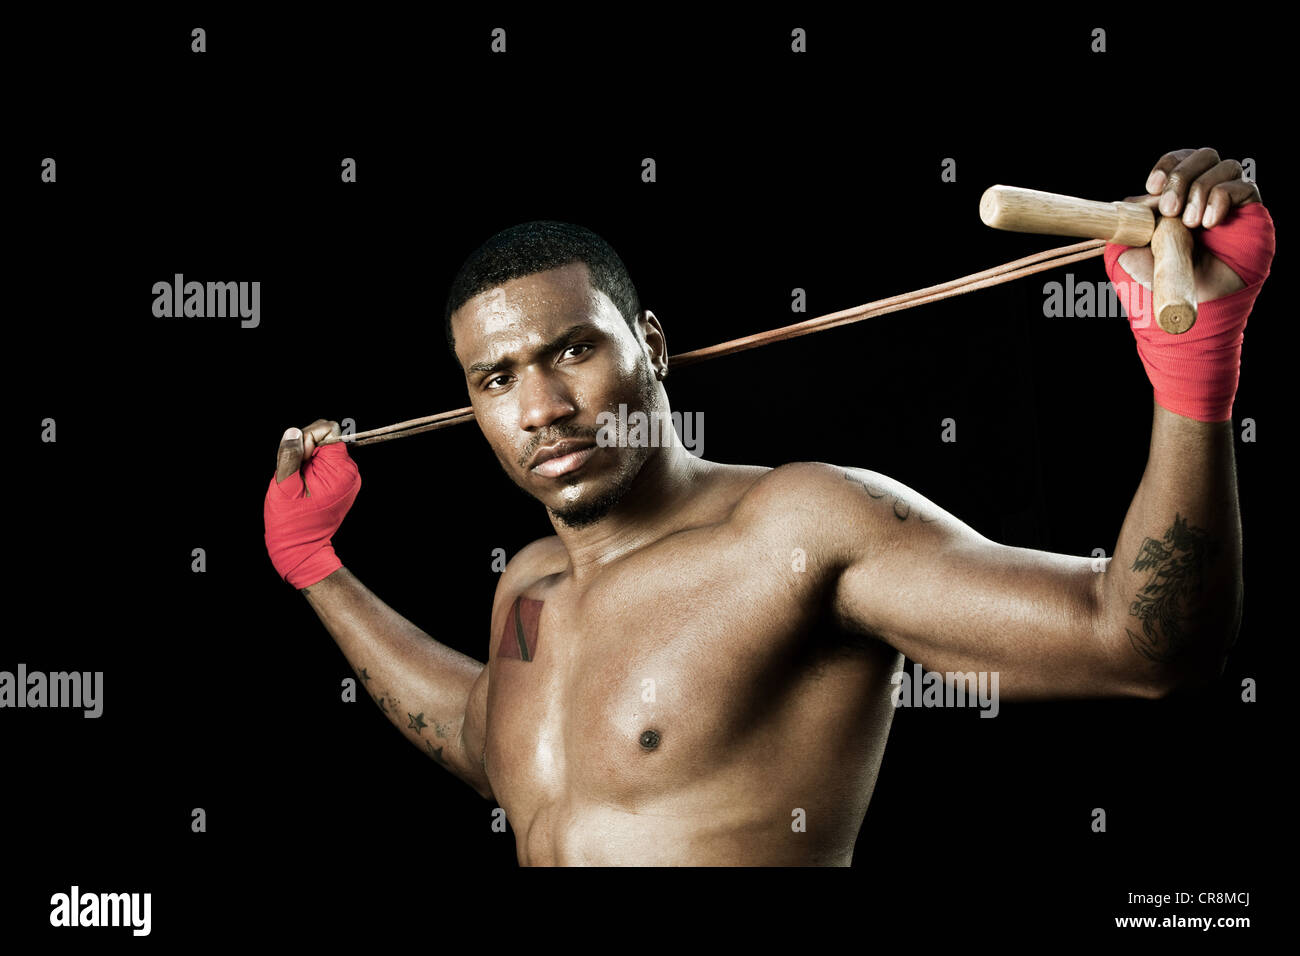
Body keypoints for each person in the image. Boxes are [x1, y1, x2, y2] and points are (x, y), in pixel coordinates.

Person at [264, 147, 1273, 865]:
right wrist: (318, 567)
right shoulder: (529, 585)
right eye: (495, 379)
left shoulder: (796, 528)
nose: (540, 408)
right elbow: (495, 746)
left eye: (572, 349)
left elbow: (1142, 646)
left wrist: (1193, 369)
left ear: (650, 347)